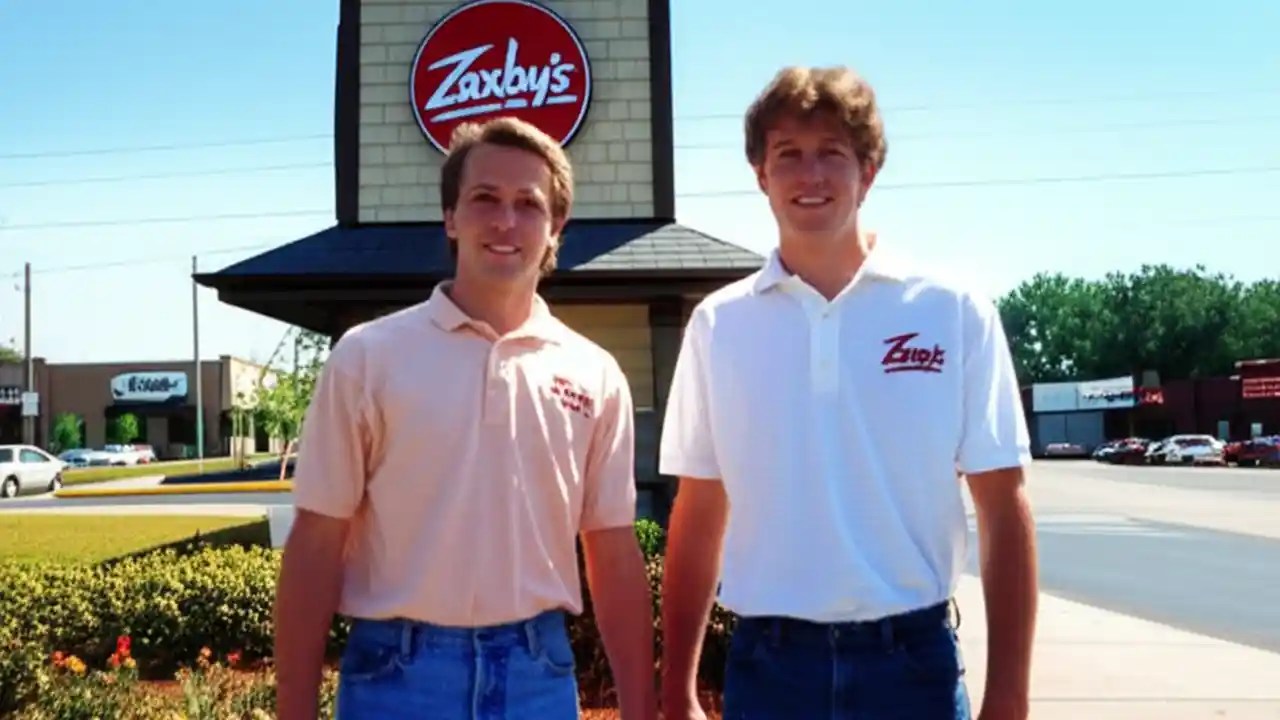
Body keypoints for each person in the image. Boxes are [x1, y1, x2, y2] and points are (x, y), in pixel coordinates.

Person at [657, 66, 1039, 720]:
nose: (811, 176)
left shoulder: (952, 308)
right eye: (789, 156)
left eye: (832, 154)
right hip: (768, 670)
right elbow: (699, 509)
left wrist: (1009, 695)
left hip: (911, 667)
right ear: (760, 175)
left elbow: (1003, 506)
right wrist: (678, 692)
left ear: (869, 170)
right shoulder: (719, 325)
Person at [273, 116, 658, 720]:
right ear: (451, 217)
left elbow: (611, 550)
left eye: (528, 205)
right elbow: (317, 540)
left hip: (539, 676)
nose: (506, 222)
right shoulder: (369, 357)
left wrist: (641, 706)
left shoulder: (596, 374)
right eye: (484, 199)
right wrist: (293, 709)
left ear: (556, 227)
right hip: (395, 678)